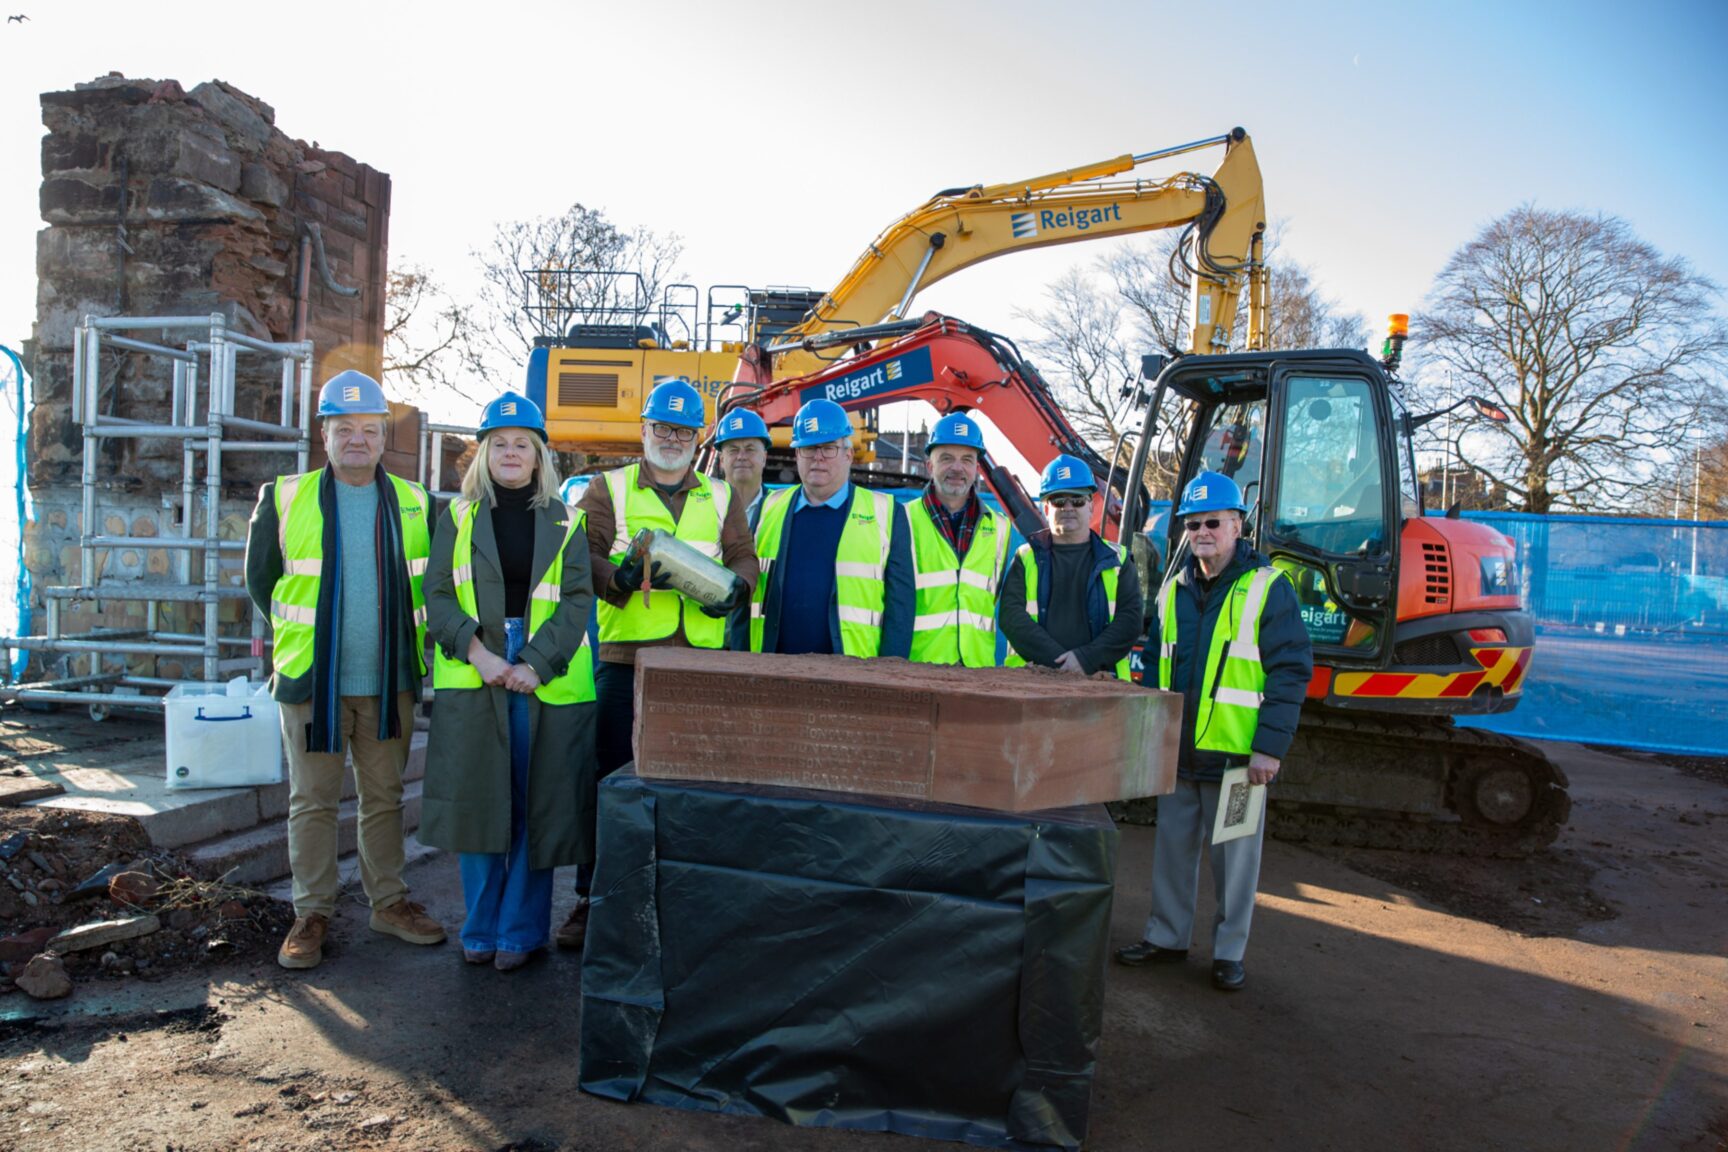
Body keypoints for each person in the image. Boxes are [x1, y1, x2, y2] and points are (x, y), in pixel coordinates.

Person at [244, 369, 447, 971]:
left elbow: (436, 587)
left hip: (390, 683)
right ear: (324, 435)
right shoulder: (283, 497)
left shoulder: (418, 503)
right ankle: (312, 912)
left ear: (384, 436)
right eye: (344, 428)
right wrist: (305, 637)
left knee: (384, 798)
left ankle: (389, 902)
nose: (357, 439)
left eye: (368, 428)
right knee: (312, 799)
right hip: (312, 680)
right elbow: (262, 582)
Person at [566, 378, 757, 948]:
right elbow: (583, 555)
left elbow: (744, 557)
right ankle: (588, 901)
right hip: (626, 660)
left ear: (697, 439)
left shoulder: (721, 496)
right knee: (608, 782)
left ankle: (676, 900)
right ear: (643, 430)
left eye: (682, 430)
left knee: (689, 785)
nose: (671, 438)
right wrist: (617, 580)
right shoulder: (608, 487)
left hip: (699, 665)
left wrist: (738, 589)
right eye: (661, 428)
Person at [1114, 470, 1313, 991]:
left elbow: (1290, 671)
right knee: (1171, 856)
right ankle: (1166, 938)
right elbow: (1158, 666)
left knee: (1235, 865)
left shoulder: (1269, 589)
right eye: (1193, 524)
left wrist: (1269, 749)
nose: (1203, 531)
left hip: (1238, 764)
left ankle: (1229, 953)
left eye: (1214, 522)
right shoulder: (1172, 592)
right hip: (1179, 756)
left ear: (1237, 526)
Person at [420, 391, 596, 971]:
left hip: (543, 674)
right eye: (500, 444)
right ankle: (480, 929)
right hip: (478, 668)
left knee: (533, 803)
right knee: (480, 802)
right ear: (484, 453)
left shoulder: (567, 520)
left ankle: (520, 935)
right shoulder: (456, 515)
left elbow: (576, 602)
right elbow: (437, 594)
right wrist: (481, 654)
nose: (512, 452)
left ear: (540, 454)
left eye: (523, 443)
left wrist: (533, 664)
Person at [748, 398, 913, 658]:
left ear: (849, 454)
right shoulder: (769, 508)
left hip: (855, 674)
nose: (818, 458)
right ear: (797, 455)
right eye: (809, 449)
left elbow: (901, 609)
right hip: (774, 668)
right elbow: (747, 589)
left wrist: (889, 673)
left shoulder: (888, 513)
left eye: (828, 448)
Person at [999, 454, 1141, 678]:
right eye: (1058, 501)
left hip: (1102, 687)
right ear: (1046, 509)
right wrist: (1063, 666)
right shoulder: (1026, 558)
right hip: (1033, 686)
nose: (1068, 507)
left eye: (1077, 500)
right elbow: (1011, 617)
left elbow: (1130, 620)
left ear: (1091, 507)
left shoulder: (1118, 560)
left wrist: (1086, 660)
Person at [905, 413, 1010, 666]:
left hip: (977, 669)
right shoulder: (902, 519)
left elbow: (993, 596)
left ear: (976, 468)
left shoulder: (999, 527)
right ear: (930, 466)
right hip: (918, 667)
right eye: (947, 458)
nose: (957, 468)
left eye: (967, 460)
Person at [715, 408, 771, 528]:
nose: (741, 457)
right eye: (733, 450)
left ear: (764, 458)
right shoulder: (704, 506)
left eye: (750, 449)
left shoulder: (781, 506)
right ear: (722, 460)